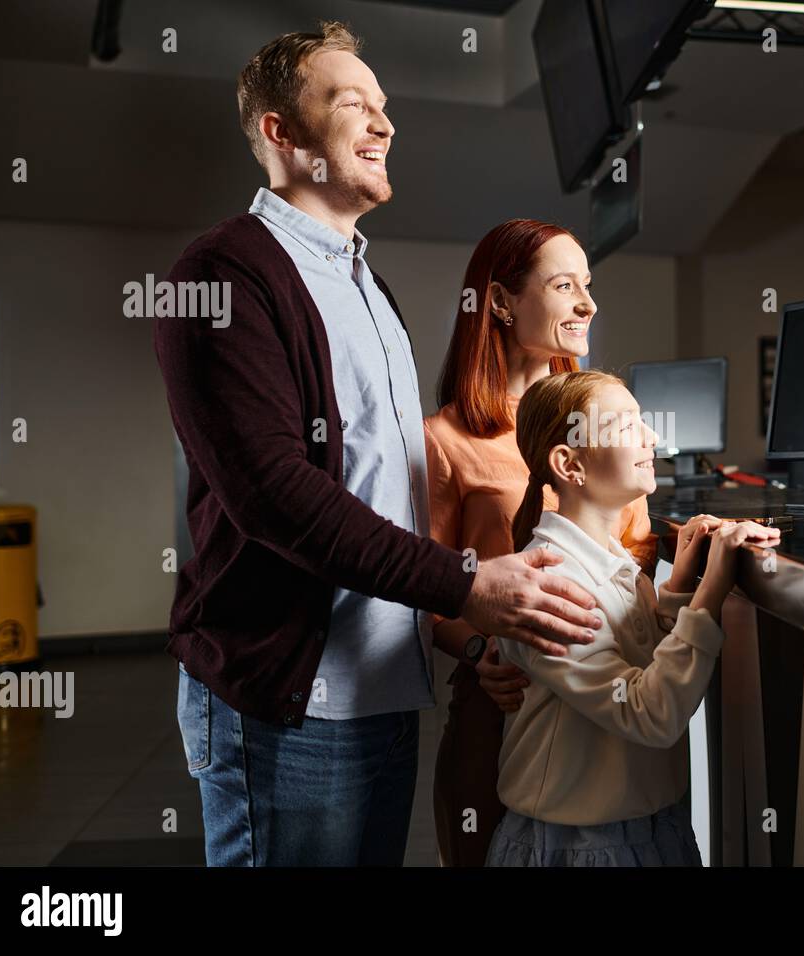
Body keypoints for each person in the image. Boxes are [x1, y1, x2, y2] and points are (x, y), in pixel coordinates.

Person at [153, 21, 603, 867]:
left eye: (385, 107)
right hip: (289, 705)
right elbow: (273, 492)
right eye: (353, 103)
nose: (385, 124)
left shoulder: (367, 285)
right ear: (281, 134)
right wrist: (466, 583)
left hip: (384, 696)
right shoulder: (221, 274)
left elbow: (378, 493)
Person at [425, 218, 656, 867]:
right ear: (498, 302)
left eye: (588, 284)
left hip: (610, 714)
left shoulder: (605, 420)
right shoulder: (444, 441)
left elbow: (636, 549)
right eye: (564, 285)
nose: (588, 303)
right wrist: (478, 649)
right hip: (500, 706)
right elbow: (423, 586)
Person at [486, 369, 779, 866]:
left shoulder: (612, 559)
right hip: (577, 846)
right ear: (570, 464)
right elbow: (648, 713)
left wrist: (682, 585)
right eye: (626, 427)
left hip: (650, 829)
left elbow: (639, 663)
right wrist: (712, 589)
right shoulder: (554, 583)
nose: (653, 437)